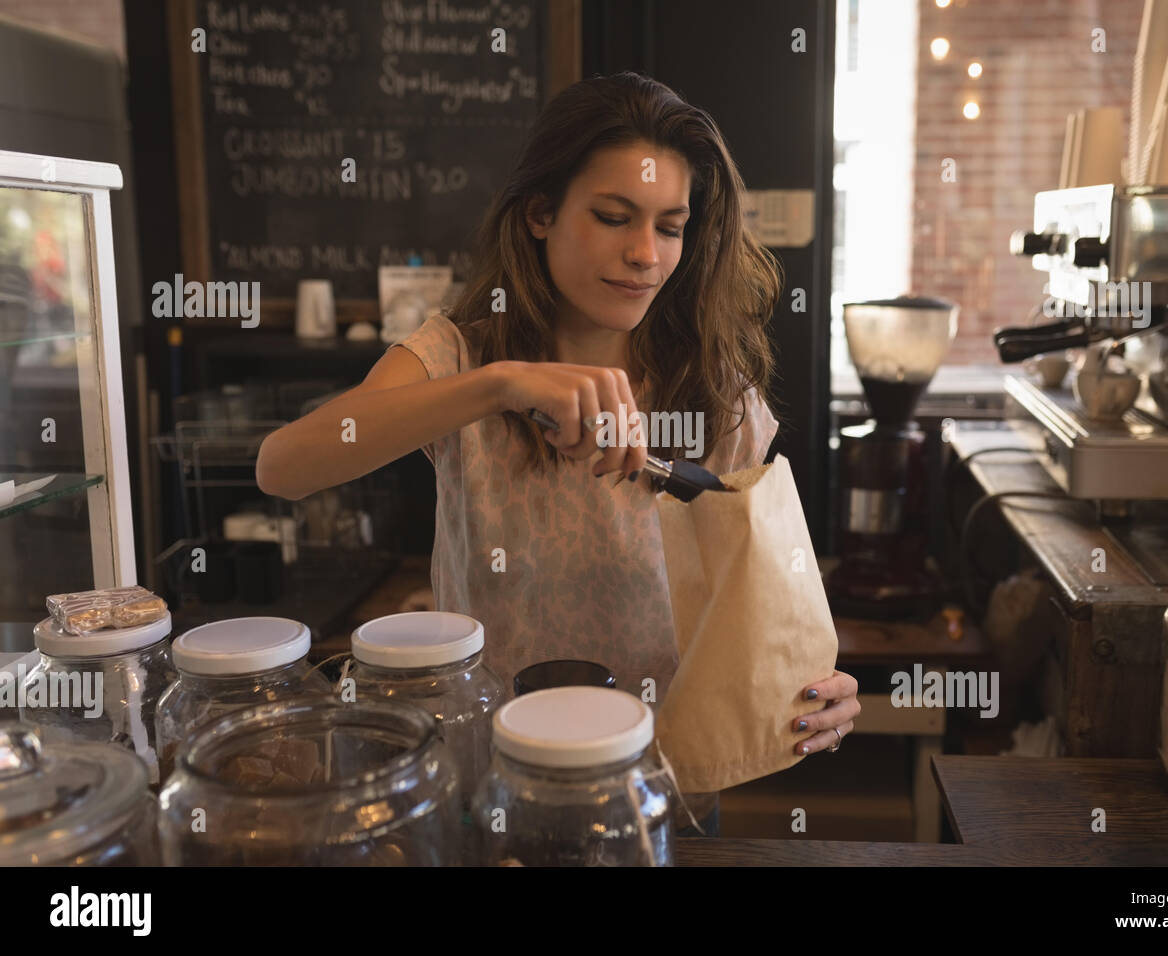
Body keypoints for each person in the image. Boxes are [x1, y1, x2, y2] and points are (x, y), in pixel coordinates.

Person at [256, 71, 860, 838]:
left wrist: (813, 682)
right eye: (613, 217)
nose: (645, 254)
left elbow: (763, 600)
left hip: (656, 791)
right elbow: (284, 465)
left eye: (670, 226)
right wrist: (498, 384)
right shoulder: (458, 356)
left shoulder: (715, 393)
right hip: (489, 785)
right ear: (540, 213)